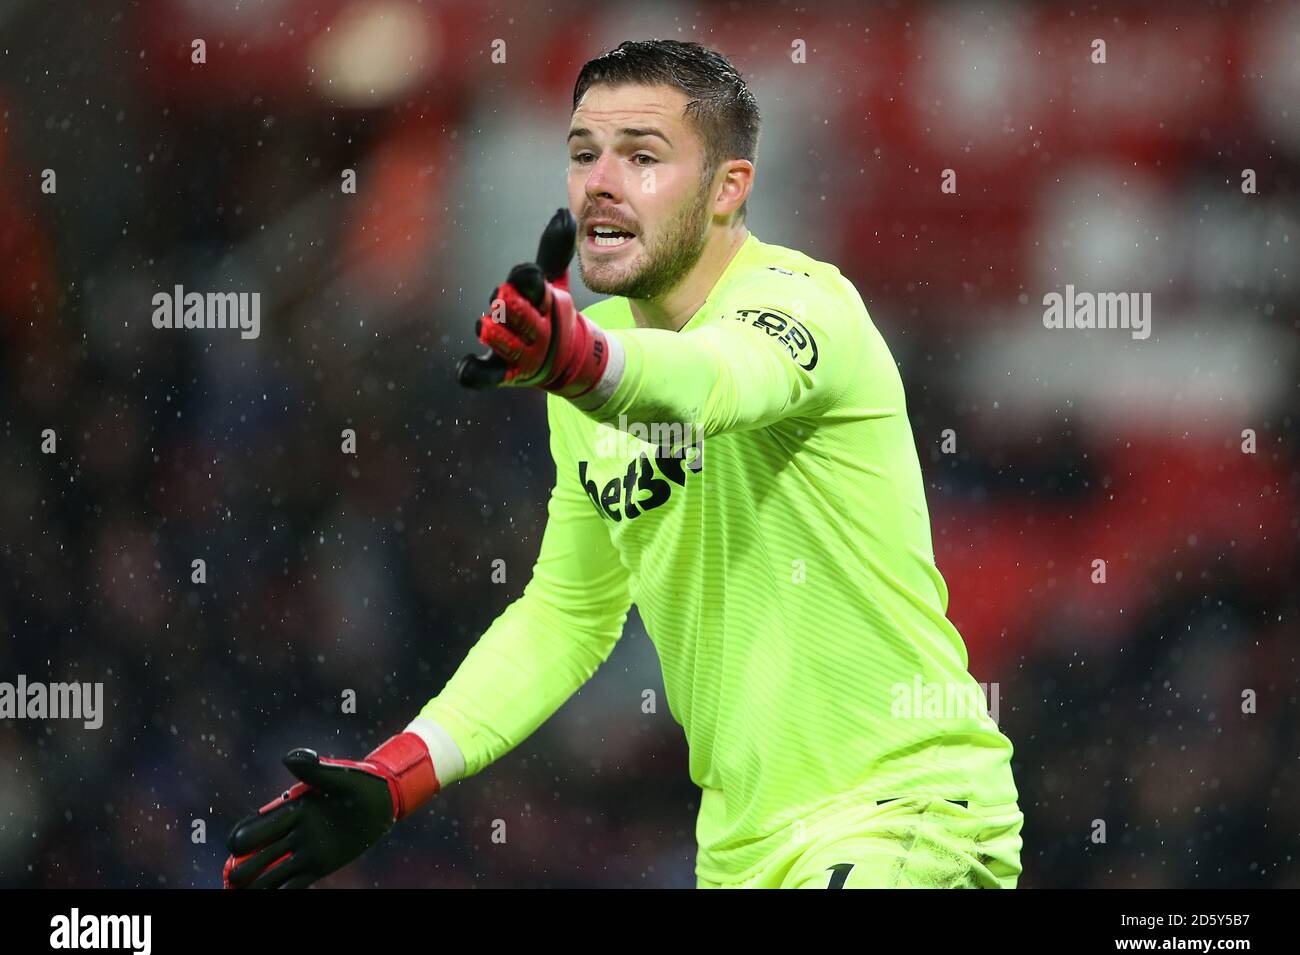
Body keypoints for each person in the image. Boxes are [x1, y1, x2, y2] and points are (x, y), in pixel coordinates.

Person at [224, 38, 1023, 890]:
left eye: (642, 156)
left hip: (905, 815)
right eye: (583, 154)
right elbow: (567, 616)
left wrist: (583, 365)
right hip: (741, 857)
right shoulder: (592, 380)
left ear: (728, 190)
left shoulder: (803, 303)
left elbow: (716, 382)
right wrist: (400, 775)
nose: (601, 181)